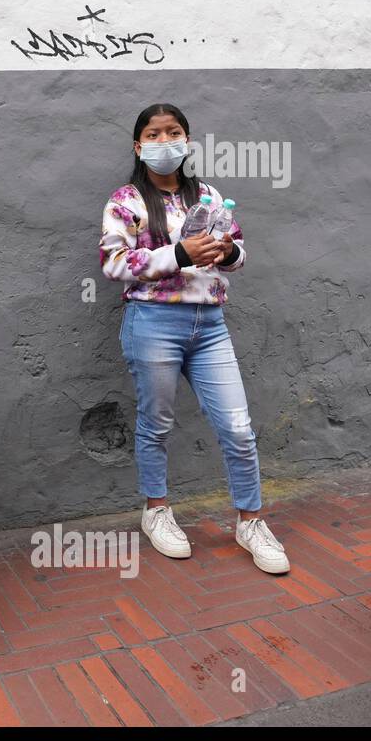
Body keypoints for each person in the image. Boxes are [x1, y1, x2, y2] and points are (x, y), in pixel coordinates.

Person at [99, 103, 289, 575]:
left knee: (238, 428)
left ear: (187, 139)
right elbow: (114, 263)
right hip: (153, 323)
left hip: (210, 325)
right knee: (156, 424)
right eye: (154, 134)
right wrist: (178, 252)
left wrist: (227, 251)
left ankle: (250, 520)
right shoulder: (126, 200)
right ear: (139, 145)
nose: (166, 142)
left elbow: (239, 253)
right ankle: (156, 510)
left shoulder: (207, 194)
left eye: (175, 132)